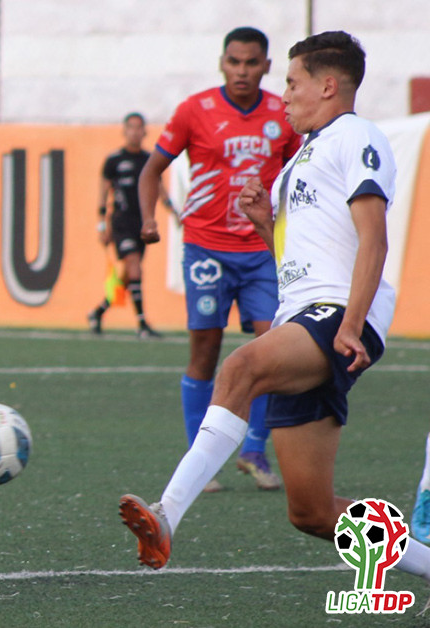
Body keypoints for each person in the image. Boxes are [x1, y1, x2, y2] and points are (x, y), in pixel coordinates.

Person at [118, 32, 430, 586]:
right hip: (306, 316)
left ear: (328, 85)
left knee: (239, 367)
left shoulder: (357, 135)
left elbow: (374, 239)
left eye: (291, 82)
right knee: (310, 513)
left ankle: (166, 515)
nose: (281, 95)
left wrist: (353, 324)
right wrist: (267, 225)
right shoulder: (299, 160)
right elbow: (297, 261)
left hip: (338, 317)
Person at [138, 27, 303, 492]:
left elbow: (299, 175)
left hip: (262, 248)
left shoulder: (282, 113)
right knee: (205, 350)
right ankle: (200, 457)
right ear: (222, 63)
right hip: (207, 246)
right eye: (234, 62)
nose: (242, 71)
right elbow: (153, 169)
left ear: (267, 66)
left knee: (273, 349)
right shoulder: (195, 110)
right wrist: (148, 218)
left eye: (252, 63)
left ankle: (254, 452)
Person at [87, 112, 164, 339]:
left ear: (145, 132)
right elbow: (103, 193)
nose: (135, 132)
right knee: (133, 265)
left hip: (141, 223)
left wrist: (172, 208)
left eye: (139, 128)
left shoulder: (149, 160)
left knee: (130, 274)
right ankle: (141, 323)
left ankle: (98, 312)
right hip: (120, 222)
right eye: (131, 127)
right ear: (124, 130)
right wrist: (101, 225)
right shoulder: (114, 160)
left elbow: (158, 185)